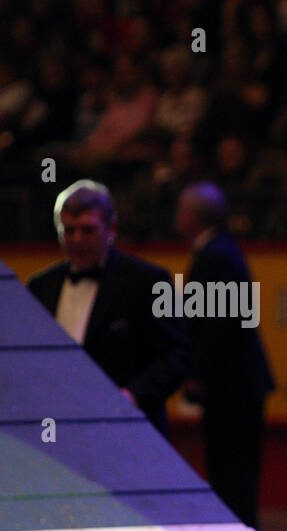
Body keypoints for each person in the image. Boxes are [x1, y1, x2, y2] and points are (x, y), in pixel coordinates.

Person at [27, 179, 189, 438]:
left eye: (87, 230)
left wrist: (132, 395)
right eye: (68, 230)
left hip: (130, 432)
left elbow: (177, 355)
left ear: (111, 227)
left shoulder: (147, 281)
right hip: (59, 431)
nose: (77, 239)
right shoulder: (41, 286)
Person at [174, 181, 275, 530]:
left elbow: (217, 325)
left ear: (194, 216)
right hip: (236, 382)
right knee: (234, 467)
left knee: (230, 466)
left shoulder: (214, 256)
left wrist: (198, 373)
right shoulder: (221, 251)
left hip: (230, 385)